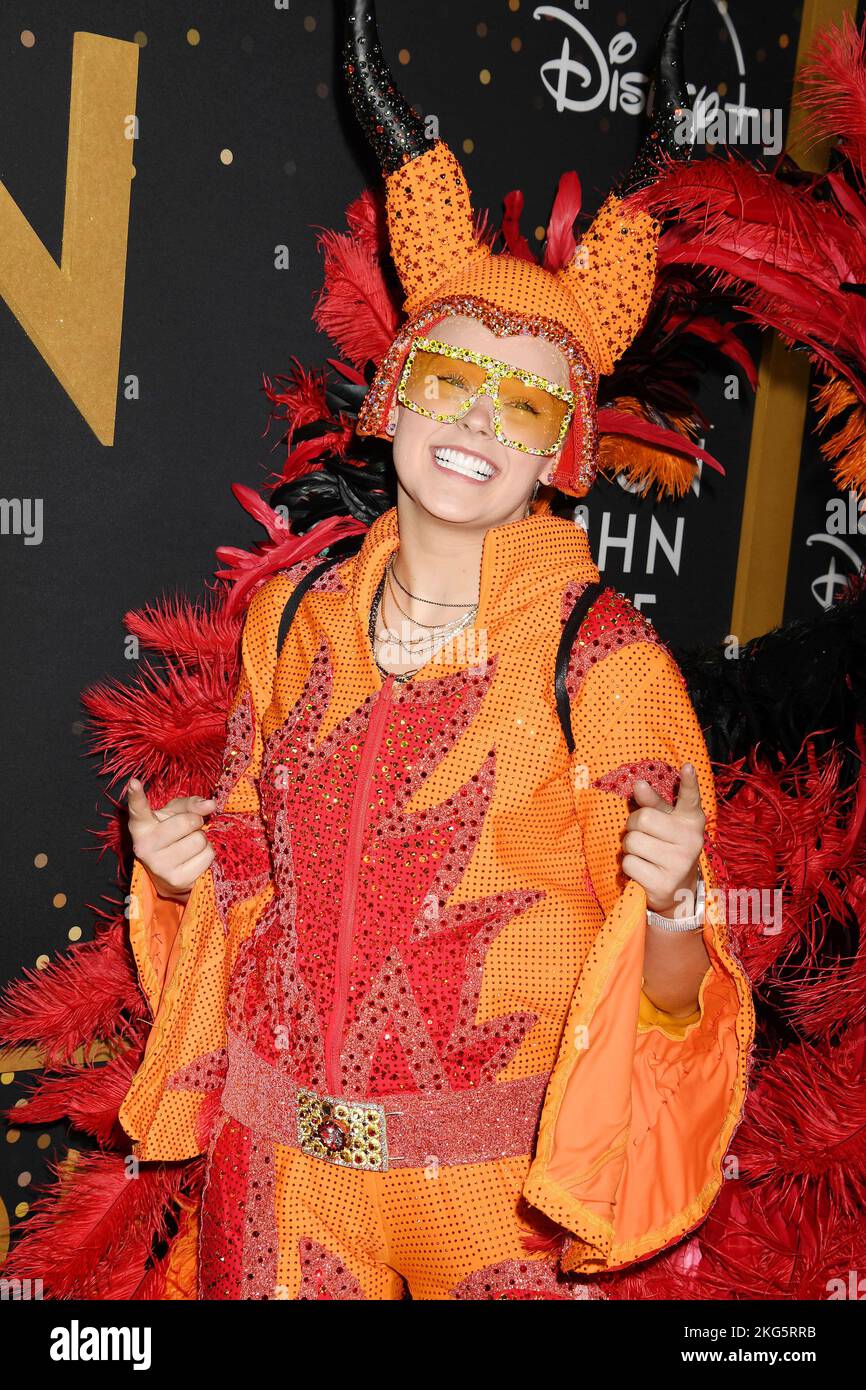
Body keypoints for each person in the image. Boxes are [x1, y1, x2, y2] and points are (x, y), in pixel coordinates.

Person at [118, 0, 754, 1299]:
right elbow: (250, 876)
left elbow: (673, 993)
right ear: (392, 392)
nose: (478, 425)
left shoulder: (600, 659)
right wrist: (184, 875)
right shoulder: (293, 621)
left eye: (522, 403)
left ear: (561, 447)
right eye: (450, 383)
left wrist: (682, 902)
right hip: (278, 1179)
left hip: (489, 1207)